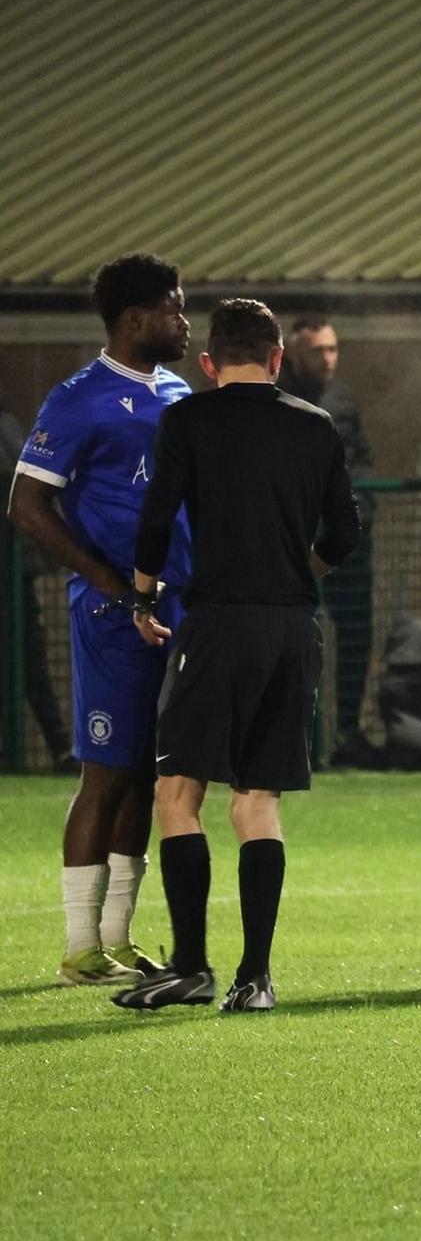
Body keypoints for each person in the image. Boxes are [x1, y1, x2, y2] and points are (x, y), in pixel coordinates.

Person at [110, 298, 362, 1012]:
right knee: (258, 802)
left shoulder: (188, 418)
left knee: (177, 791)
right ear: (279, 358)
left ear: (211, 364)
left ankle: (191, 964)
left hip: (216, 623)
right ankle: (256, 976)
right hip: (289, 627)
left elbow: (156, 518)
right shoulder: (315, 427)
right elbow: (345, 533)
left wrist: (141, 595)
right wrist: (294, 572)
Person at [8, 253, 192, 986]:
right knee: (105, 773)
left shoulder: (180, 388)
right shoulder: (78, 397)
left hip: (174, 607)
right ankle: (79, 943)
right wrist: (105, 580)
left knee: (149, 774)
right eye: (174, 309)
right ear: (134, 319)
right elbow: (26, 505)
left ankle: (116, 937)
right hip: (113, 613)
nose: (183, 321)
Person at [278, 315, 374, 761]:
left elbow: (363, 459)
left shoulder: (344, 398)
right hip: (295, 537)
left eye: (333, 349)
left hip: (345, 535)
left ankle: (347, 733)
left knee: (355, 628)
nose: (328, 359)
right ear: (294, 351)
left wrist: (361, 512)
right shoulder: (276, 396)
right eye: (318, 351)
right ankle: (301, 733)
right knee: (298, 630)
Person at [0, 406, 73, 769]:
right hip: (15, 568)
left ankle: (59, 747)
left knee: (30, 655)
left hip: (14, 572)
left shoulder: (8, 424)